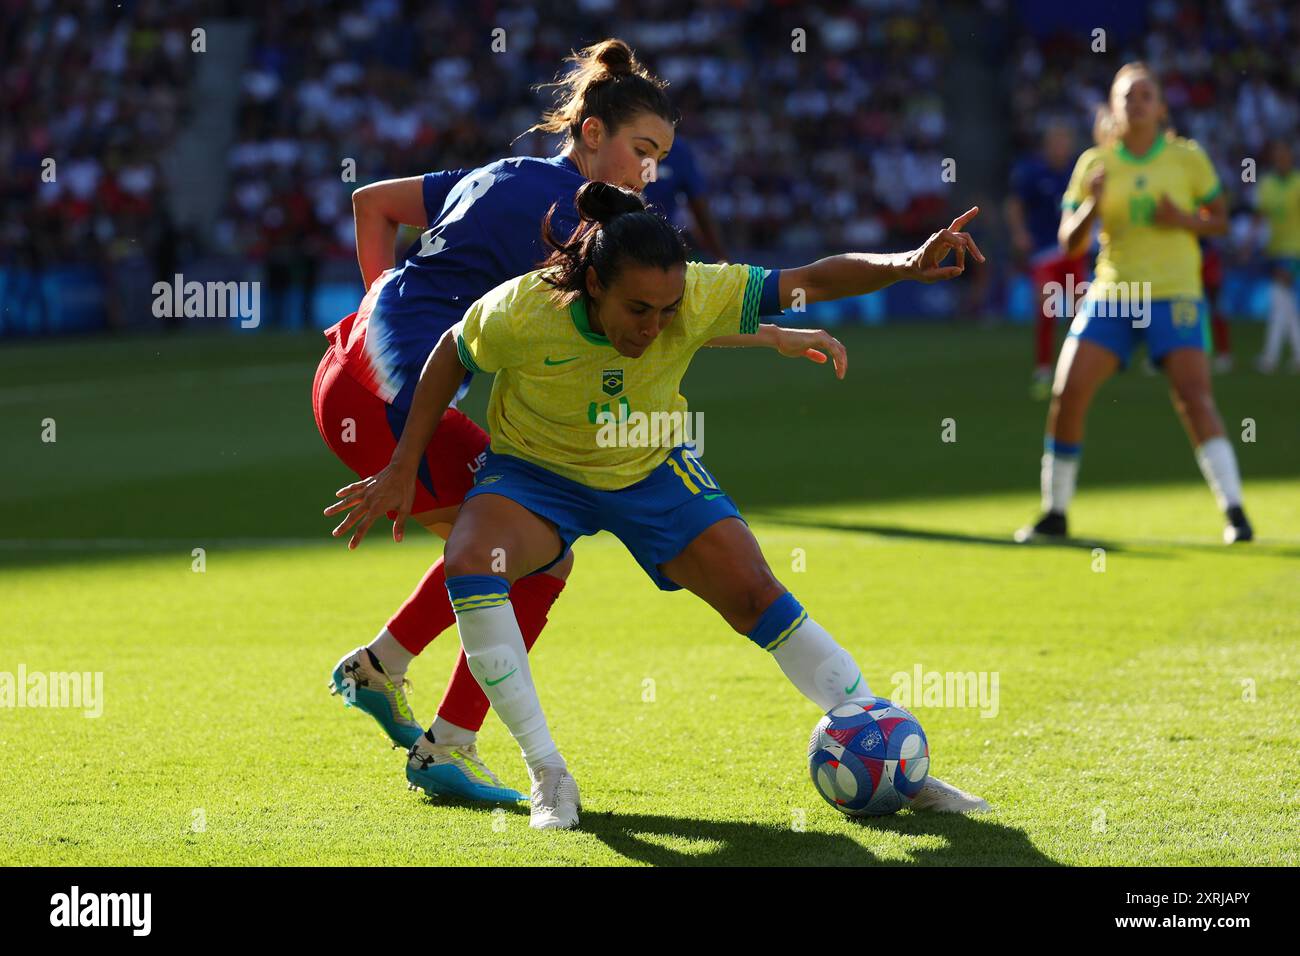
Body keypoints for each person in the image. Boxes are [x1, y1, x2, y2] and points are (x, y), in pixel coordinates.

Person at [325, 181, 990, 829]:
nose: (656, 326)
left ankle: (885, 750)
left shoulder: (695, 289)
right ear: (593, 286)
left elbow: (809, 278)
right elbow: (451, 351)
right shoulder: (524, 309)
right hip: (535, 474)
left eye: (669, 311)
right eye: (639, 310)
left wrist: (906, 263)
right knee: (471, 560)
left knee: (756, 593)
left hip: (650, 467)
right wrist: (403, 465)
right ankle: (547, 772)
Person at [313, 38, 840, 802]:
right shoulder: (567, 213)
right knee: (533, 557)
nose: (648, 173)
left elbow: (373, 204)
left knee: (506, 547)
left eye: (659, 156)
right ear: (593, 133)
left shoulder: (505, 175)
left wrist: (378, 311)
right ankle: (444, 743)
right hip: (394, 397)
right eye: (642, 150)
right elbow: (659, 302)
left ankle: (384, 671)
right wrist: (772, 330)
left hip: (345, 372)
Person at [1016, 62, 1253, 546]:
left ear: (1161, 107)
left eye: (1145, 95)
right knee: (1068, 392)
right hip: (1114, 292)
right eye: (1127, 96)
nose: (1136, 103)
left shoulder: (1187, 158)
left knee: (1193, 398)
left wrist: (1181, 218)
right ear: (1114, 106)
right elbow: (1070, 244)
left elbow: (1221, 220)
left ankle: (1235, 512)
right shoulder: (1094, 165)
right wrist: (1091, 205)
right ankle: (1055, 512)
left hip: (1175, 292)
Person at [1006, 121, 1089, 397]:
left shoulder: (1075, 172)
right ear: (1047, 144)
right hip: (1044, 253)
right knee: (1047, 308)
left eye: (1065, 142)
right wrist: (1019, 233)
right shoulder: (1032, 172)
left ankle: (1076, 370)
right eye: (1057, 142)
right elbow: (1015, 204)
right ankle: (1043, 369)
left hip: (1072, 251)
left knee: (1080, 312)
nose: (1061, 147)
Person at [1254, 140, 1300, 373]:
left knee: (1279, 301)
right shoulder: (1267, 184)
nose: (1281, 159)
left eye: (1285, 155)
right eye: (1277, 155)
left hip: (1294, 250)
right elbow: (1260, 216)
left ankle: (1270, 357)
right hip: (1273, 249)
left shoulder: (1298, 183)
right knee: (1286, 305)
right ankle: (1293, 354)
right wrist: (1251, 243)